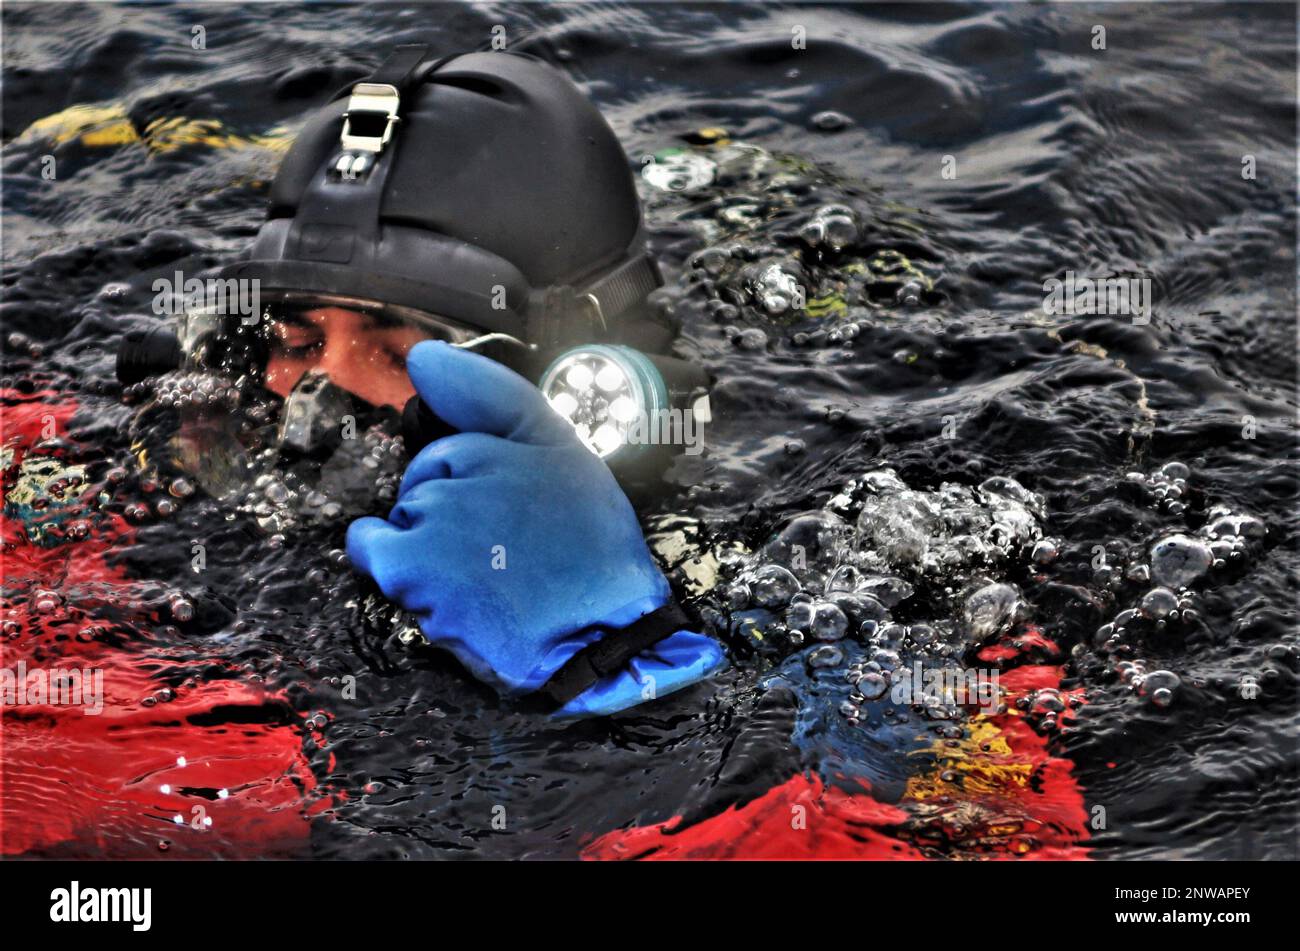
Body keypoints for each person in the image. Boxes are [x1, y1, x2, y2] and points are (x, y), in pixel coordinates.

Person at [189, 45, 725, 716]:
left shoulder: (743, 555)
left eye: (395, 351)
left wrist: (610, 666)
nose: (321, 393)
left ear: (565, 378)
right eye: (299, 342)